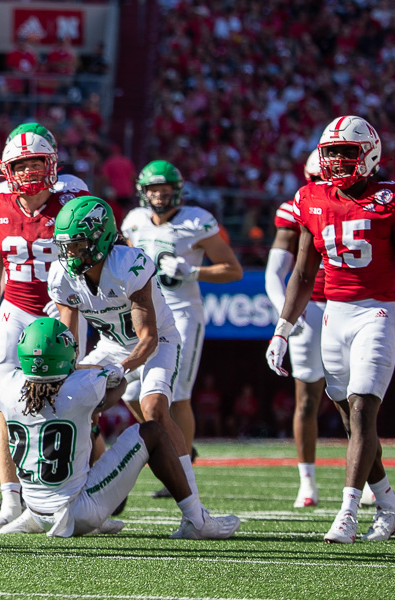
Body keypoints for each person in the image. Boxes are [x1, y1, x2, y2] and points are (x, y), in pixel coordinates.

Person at [47, 195, 210, 536]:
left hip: (158, 342)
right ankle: (90, 500)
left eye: (77, 245)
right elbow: (71, 339)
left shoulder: (128, 264)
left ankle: (195, 513)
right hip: (110, 345)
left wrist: (120, 370)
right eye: (67, 246)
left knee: (154, 412)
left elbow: (147, 337)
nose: (70, 254)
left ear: (99, 239)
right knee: (71, 403)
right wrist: (68, 376)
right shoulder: (62, 274)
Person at [0, 317, 238, 539]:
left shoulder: (7, 387)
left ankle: (37, 515)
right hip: (75, 511)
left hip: (36, 507)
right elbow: (116, 387)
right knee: (151, 432)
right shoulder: (82, 388)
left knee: (82, 433)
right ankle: (196, 520)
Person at [266, 115, 395, 543]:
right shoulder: (310, 197)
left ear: (370, 153)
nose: (338, 160)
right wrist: (282, 327)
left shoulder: (390, 199)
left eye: (347, 151)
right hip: (333, 314)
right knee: (349, 418)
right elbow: (303, 273)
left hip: (380, 310)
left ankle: (348, 512)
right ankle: (390, 506)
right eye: (332, 152)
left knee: (362, 409)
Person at [0, 126, 91, 529]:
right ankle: (10, 500)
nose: (28, 172)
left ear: (52, 163)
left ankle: (79, 494)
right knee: (5, 406)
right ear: (7, 169)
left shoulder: (72, 205)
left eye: (36, 163)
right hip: (16, 311)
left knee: (72, 403)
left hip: (62, 308)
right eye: (20, 165)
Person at [121, 160, 243, 498]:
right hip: (146, 313)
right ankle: (179, 443)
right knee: (131, 393)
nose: (159, 195)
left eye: (165, 189)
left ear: (178, 190)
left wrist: (193, 272)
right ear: (142, 192)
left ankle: (181, 463)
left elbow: (233, 270)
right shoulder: (133, 222)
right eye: (153, 189)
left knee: (181, 393)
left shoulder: (196, 220)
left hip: (183, 312)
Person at [264, 150, 330, 507]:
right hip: (312, 307)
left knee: (358, 397)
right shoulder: (298, 208)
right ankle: (307, 480)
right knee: (307, 399)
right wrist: (286, 317)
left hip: (352, 307)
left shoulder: (365, 204)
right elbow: (275, 273)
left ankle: (370, 478)